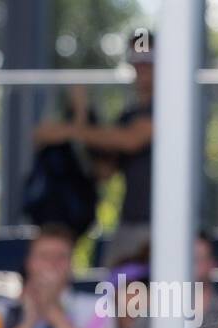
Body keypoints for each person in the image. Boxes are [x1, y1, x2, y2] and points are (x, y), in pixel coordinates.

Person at [33, 40, 155, 265]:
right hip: (131, 224)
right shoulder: (129, 115)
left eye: (148, 60)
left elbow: (130, 140)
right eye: (136, 61)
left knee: (167, 295)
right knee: (114, 293)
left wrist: (65, 130)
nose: (142, 67)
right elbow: (104, 171)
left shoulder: (171, 105)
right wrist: (81, 114)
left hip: (167, 225)